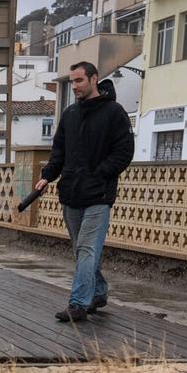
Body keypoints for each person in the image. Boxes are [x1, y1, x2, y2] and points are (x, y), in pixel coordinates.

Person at [34, 61, 134, 323]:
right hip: (71, 194)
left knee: (88, 249)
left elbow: (124, 152)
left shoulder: (115, 113)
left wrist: (99, 174)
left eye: (79, 81)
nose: (75, 86)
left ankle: (78, 304)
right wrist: (47, 177)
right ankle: (98, 291)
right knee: (82, 251)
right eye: (72, 82)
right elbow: (59, 153)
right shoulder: (69, 114)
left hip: (98, 197)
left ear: (93, 79)